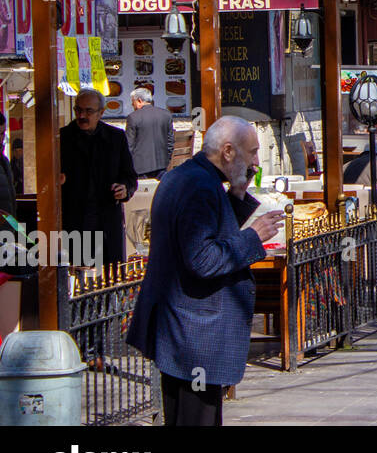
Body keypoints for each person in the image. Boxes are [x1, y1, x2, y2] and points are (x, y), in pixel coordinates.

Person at [126, 116, 283, 425]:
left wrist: (237, 195)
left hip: (185, 330)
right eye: (251, 152)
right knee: (195, 418)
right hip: (194, 334)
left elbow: (209, 232)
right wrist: (254, 237)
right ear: (228, 151)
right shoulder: (199, 186)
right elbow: (203, 259)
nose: (255, 162)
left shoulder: (189, 177)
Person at [60, 89, 137, 266]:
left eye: (88, 111)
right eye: (78, 110)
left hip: (107, 223)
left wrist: (125, 188)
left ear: (101, 112)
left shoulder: (116, 138)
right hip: (75, 224)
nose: (82, 115)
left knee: (110, 280)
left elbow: (130, 177)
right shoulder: (62, 138)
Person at [125, 88, 174, 180]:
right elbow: (170, 141)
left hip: (140, 168)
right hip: (162, 165)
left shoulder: (133, 117)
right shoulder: (166, 114)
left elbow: (129, 145)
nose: (132, 105)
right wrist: (167, 158)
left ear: (139, 100)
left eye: (133, 102)